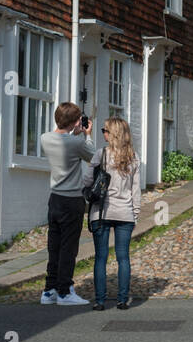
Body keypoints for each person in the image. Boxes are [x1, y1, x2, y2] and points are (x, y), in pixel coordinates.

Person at [84, 117, 142, 311]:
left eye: (105, 130)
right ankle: (122, 300)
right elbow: (136, 190)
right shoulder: (133, 157)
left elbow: (86, 180)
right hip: (125, 213)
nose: (104, 134)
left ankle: (100, 301)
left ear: (112, 133)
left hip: (101, 212)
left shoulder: (101, 155)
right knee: (123, 257)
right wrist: (135, 214)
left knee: (101, 257)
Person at [40, 102, 94, 306]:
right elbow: (93, 156)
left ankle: (49, 290)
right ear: (74, 122)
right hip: (72, 200)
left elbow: (63, 140)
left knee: (53, 246)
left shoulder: (44, 138)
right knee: (68, 248)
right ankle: (65, 291)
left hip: (54, 199)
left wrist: (73, 131)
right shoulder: (77, 143)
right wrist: (85, 134)